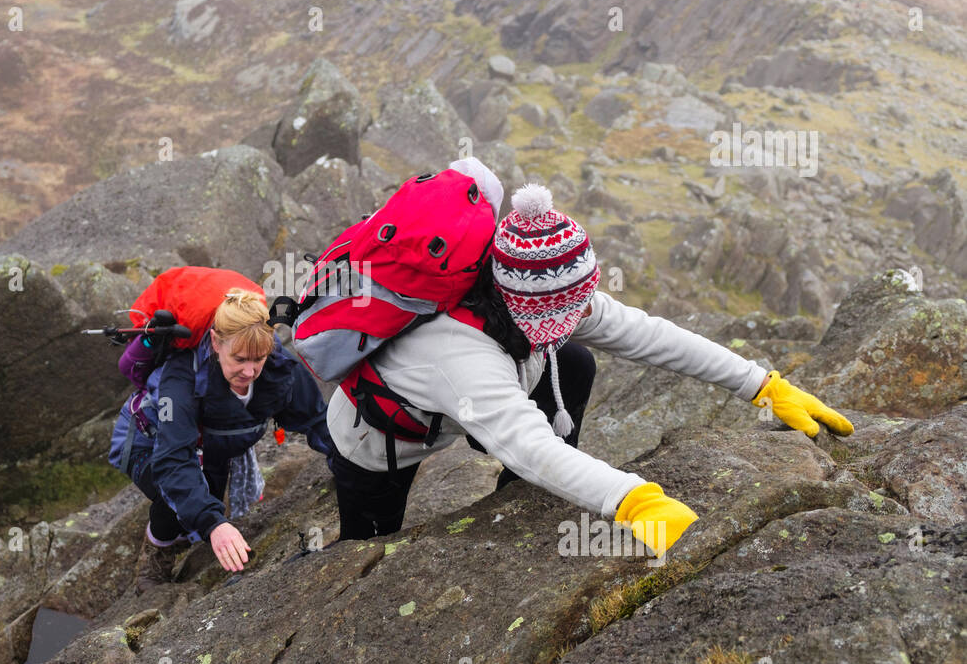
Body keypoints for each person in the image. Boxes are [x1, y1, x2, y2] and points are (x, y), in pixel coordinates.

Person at [325, 179, 853, 554]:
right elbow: (526, 441)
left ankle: (524, 496)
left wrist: (762, 385)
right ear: (522, 303)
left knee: (573, 360)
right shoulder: (458, 352)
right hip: (379, 437)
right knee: (370, 541)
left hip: (467, 395)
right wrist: (633, 501)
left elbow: (650, 336)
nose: (583, 315)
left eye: (583, 303)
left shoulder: (543, 290)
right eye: (569, 312)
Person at [110, 287, 335, 593]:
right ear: (216, 342)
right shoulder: (181, 378)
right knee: (176, 502)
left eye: (259, 359)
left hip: (213, 444)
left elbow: (317, 420)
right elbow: (173, 461)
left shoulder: (282, 372)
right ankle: (156, 554)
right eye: (239, 359)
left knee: (208, 499)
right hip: (146, 441)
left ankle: (193, 532)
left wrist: (350, 463)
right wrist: (214, 524)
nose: (249, 370)